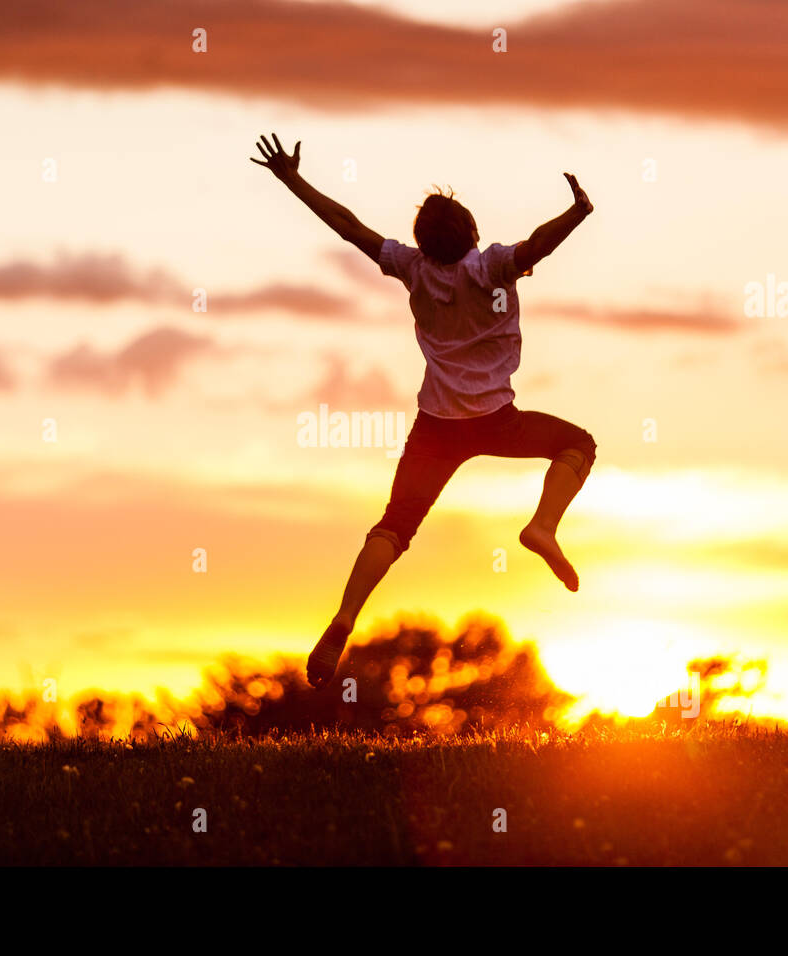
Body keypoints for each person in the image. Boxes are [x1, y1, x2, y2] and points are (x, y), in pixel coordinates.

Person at [250, 133, 598, 689]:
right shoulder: (492, 268)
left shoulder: (412, 268)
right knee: (578, 443)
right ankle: (542, 527)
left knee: (395, 525)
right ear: (472, 233)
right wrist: (577, 212)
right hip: (498, 420)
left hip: (436, 427)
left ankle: (345, 616)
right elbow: (539, 245)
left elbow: (348, 225)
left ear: (424, 242)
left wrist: (292, 180)